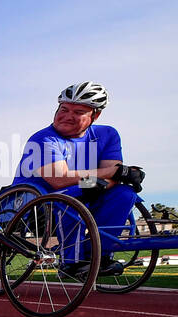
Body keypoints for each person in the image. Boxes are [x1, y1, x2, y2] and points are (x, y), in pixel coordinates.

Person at [12, 81, 144, 277]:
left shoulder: (107, 135)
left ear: (95, 115)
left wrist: (104, 180)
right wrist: (112, 173)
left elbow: (115, 177)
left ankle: (99, 255)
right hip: (36, 204)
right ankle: (71, 263)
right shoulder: (44, 138)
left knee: (125, 193)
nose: (67, 116)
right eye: (64, 109)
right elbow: (59, 180)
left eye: (78, 112)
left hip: (83, 192)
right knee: (73, 194)